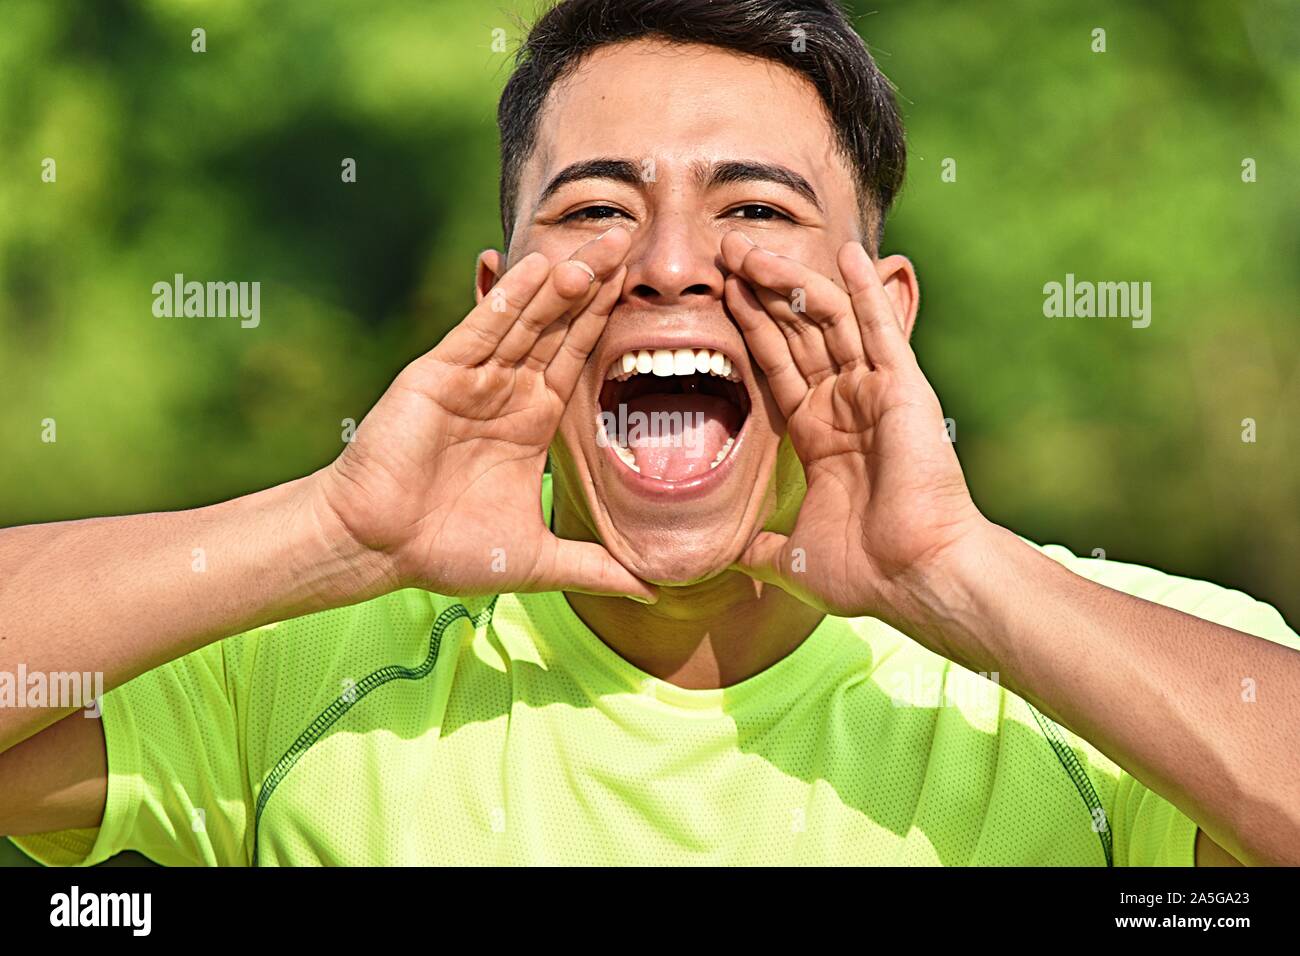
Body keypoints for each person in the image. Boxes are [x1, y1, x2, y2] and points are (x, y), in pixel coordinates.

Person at [2, 0, 1297, 866]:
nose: (672, 265)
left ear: (883, 315)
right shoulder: (297, 681)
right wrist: (335, 533)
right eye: (596, 208)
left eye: (757, 208)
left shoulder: (1096, 688)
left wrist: (956, 575)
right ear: (498, 298)